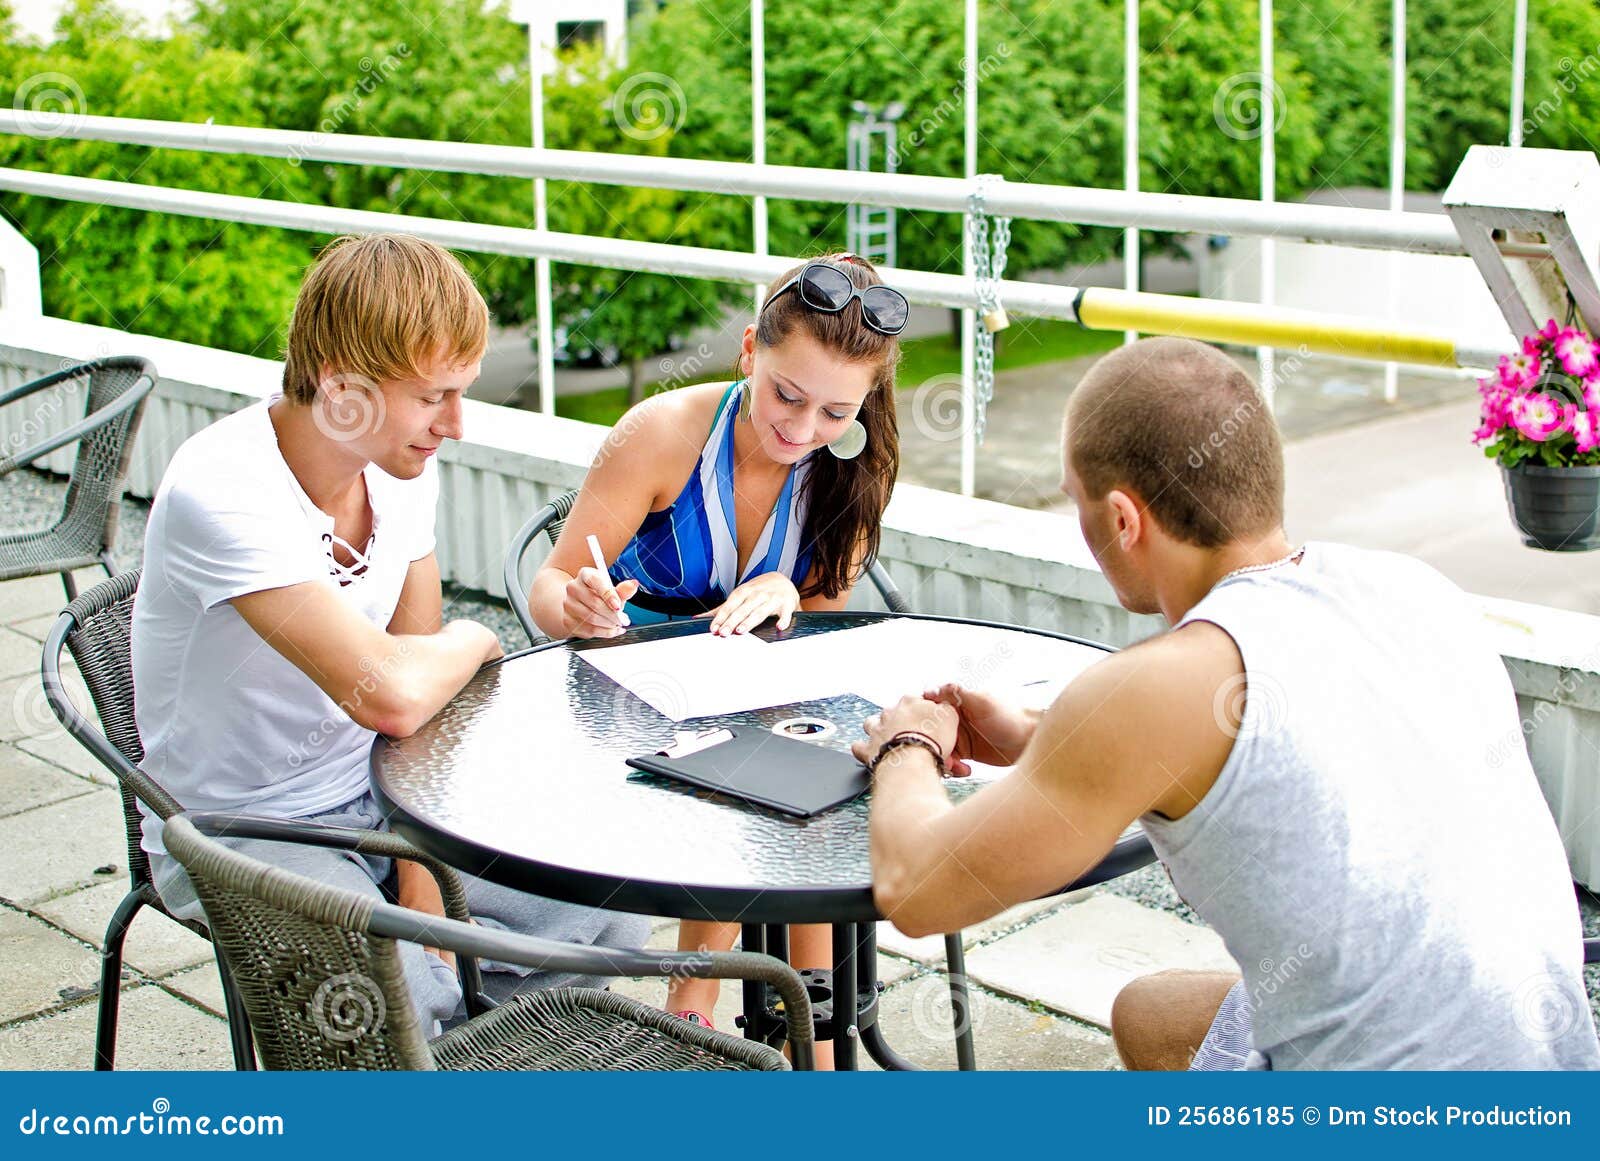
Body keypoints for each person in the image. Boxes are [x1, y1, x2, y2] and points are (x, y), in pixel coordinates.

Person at [854, 336, 1600, 1070]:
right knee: (1153, 1016)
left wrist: (907, 744)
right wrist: (1030, 733)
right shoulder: (1412, 588)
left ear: (1123, 519)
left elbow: (916, 891)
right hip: (1548, 1066)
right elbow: (1288, 729)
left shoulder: (1158, 689)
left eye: (1074, 500)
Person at [133, 233, 648, 1036]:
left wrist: (421, 867)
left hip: (381, 797)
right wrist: (477, 637)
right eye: (434, 396)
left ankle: (483, 1054)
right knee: (400, 999)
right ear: (342, 389)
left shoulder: (400, 468)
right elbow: (394, 692)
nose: (457, 424)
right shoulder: (223, 487)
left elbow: (424, 708)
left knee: (609, 905)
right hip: (243, 830)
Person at [528, 252, 905, 1058]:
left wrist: (789, 592)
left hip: (754, 700)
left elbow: (821, 641)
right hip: (626, 693)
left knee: (822, 759)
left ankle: (803, 1019)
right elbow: (548, 586)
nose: (802, 430)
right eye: (786, 395)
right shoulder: (662, 434)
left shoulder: (854, 471)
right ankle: (735, 1013)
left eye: (836, 411)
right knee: (777, 771)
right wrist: (578, 604)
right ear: (748, 350)